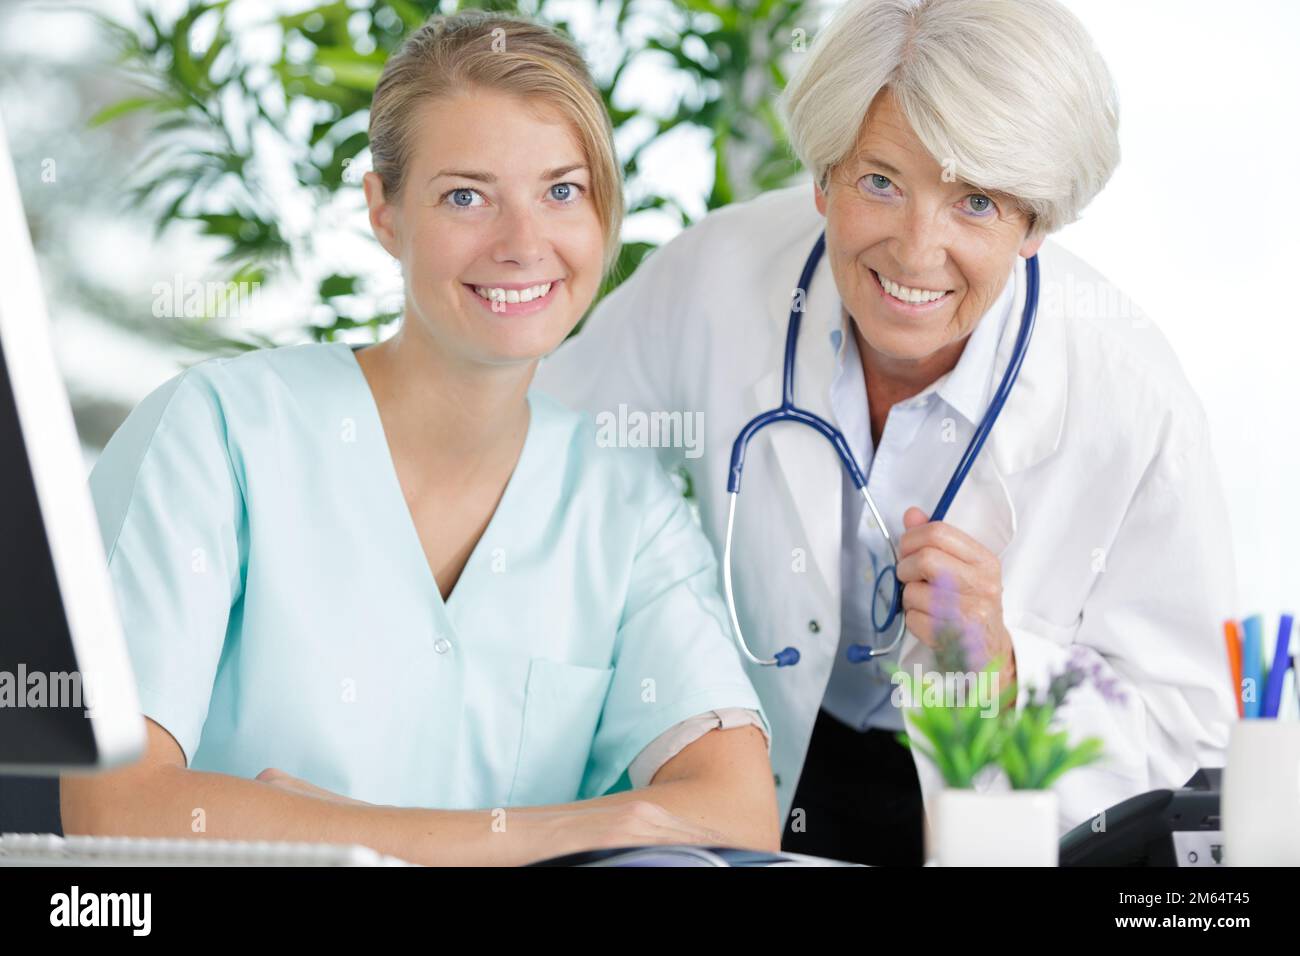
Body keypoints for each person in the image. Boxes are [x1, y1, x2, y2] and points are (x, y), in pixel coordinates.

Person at [61, 12, 779, 867]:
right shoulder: (216, 436)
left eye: (562, 190)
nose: (523, 245)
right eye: (466, 197)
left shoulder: (625, 505)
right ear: (385, 213)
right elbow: (114, 801)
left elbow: (739, 817)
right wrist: (545, 832)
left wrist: (330, 829)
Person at [536, 0, 1236, 865]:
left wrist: (1008, 665)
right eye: (880, 182)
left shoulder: (1135, 403)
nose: (915, 249)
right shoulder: (717, 276)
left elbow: (1190, 729)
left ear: (1036, 227)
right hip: (756, 770)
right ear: (824, 176)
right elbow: (544, 462)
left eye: (976, 201)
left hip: (993, 805)